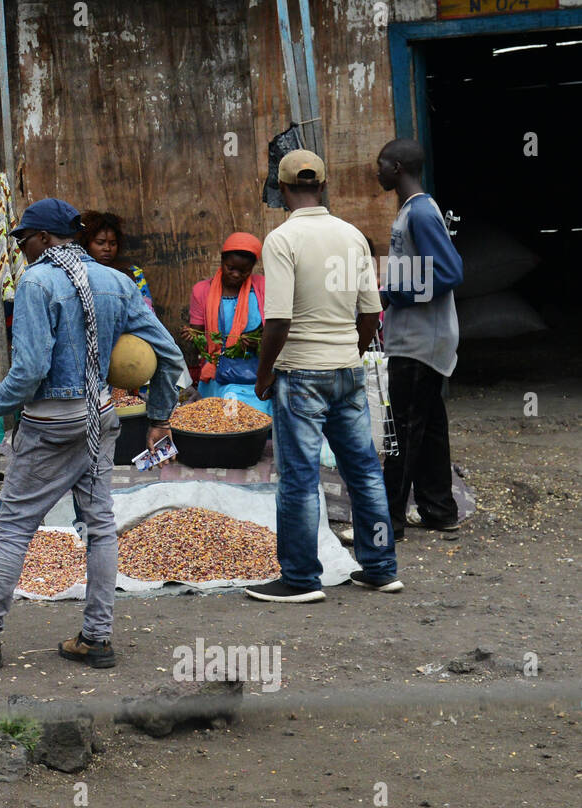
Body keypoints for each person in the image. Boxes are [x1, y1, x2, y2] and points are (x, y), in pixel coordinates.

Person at [0, 198, 185, 670]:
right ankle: (97, 638)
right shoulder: (117, 283)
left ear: (45, 238)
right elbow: (169, 355)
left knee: (12, 528)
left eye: (24, 240)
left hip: (52, 422)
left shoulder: (37, 282)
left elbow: (29, 371)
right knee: (100, 526)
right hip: (101, 416)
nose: (23, 250)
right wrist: (158, 417)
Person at [246, 150, 401, 603]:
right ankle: (379, 568)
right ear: (324, 184)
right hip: (346, 370)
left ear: (281, 188)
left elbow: (278, 321)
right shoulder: (352, 236)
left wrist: (263, 374)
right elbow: (372, 314)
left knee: (297, 476)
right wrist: (348, 353)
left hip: (300, 373)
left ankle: (299, 578)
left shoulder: (281, 240)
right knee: (365, 472)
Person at [376, 138, 463, 537]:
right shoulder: (412, 211)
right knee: (427, 429)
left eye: (380, 165)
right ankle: (439, 509)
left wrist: (394, 293)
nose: (376, 172)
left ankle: (388, 522)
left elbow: (448, 274)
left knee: (402, 433)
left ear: (396, 167)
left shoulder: (422, 213)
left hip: (419, 344)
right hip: (419, 340)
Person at [185, 232, 269, 414]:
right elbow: (200, 335)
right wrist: (194, 336)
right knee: (226, 420)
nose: (236, 274)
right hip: (218, 373)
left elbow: (275, 328)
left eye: (243, 270)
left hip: (256, 373)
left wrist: (258, 342)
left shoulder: (262, 287)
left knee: (254, 419)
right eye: (230, 267)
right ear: (221, 260)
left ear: (252, 267)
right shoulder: (202, 291)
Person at [78, 211, 155, 311]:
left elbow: (147, 311)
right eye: (100, 243)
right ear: (87, 244)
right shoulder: (79, 272)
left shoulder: (132, 273)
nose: (107, 248)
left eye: (113, 243)